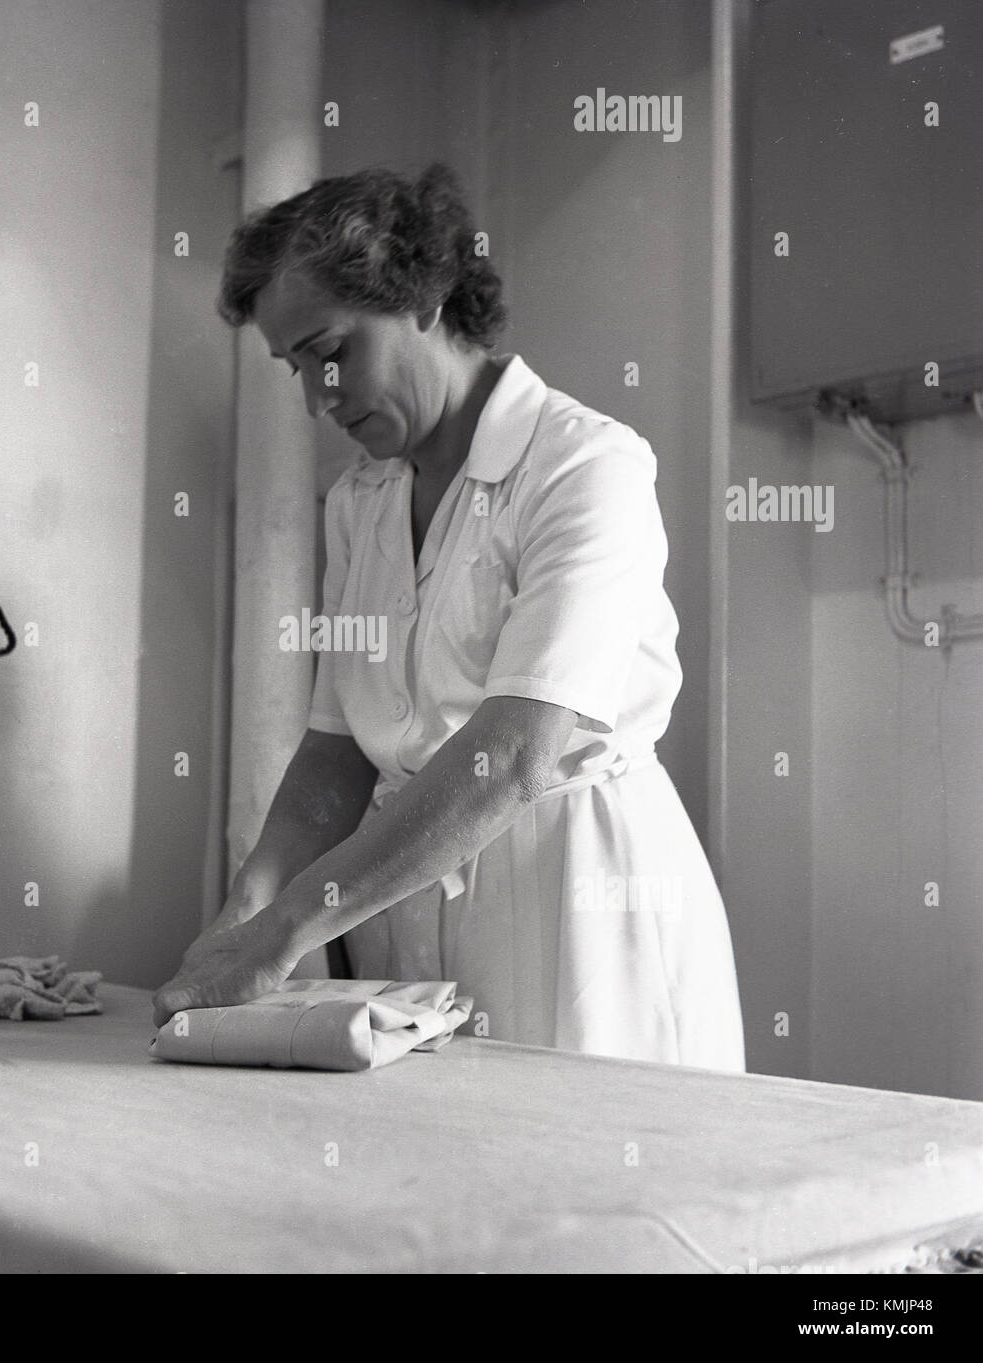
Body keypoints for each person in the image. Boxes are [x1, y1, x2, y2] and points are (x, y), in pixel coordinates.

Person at [153, 164, 744, 1071]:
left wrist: (293, 924)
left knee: (591, 1186)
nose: (319, 396)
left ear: (424, 296)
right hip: (407, 903)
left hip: (581, 901)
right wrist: (248, 910)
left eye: (329, 350)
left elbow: (513, 753)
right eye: (297, 369)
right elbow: (336, 750)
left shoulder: (587, 467)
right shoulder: (361, 500)